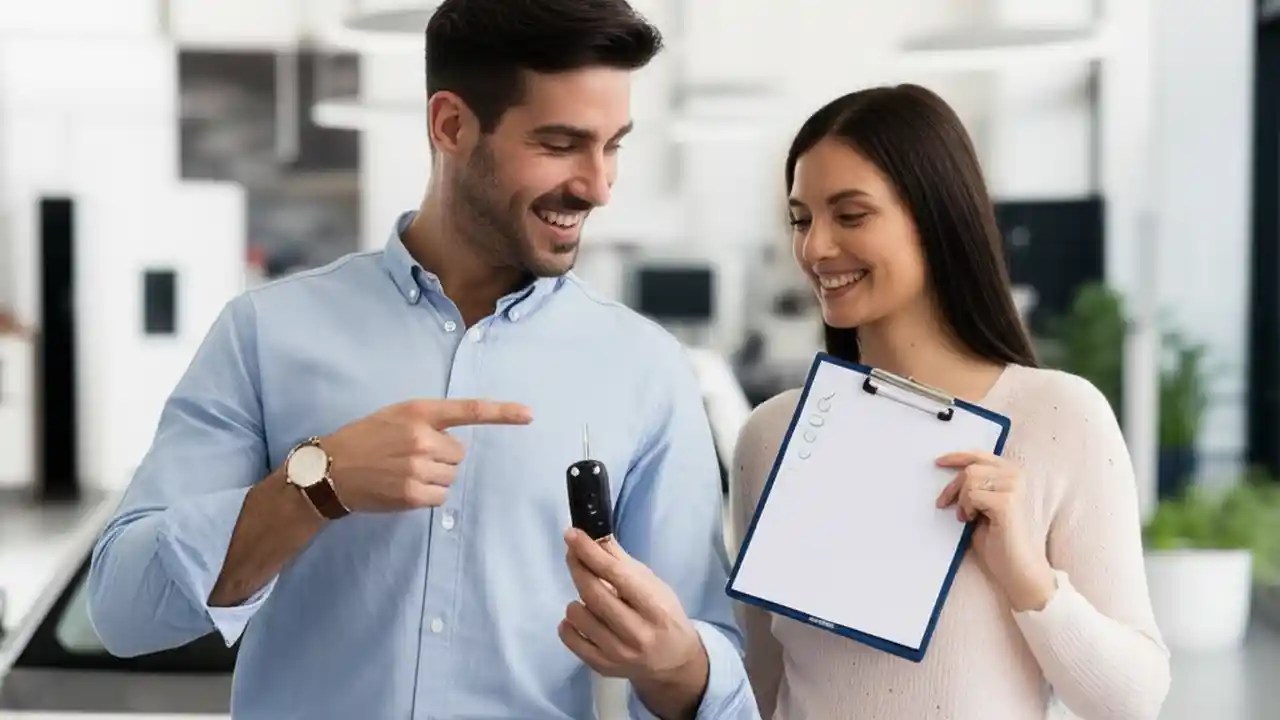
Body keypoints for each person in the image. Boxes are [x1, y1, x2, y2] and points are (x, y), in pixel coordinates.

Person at [85, 2, 759, 718]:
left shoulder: (645, 369)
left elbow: (708, 663)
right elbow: (126, 611)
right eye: (561, 144)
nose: (597, 185)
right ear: (451, 125)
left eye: (613, 145)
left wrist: (675, 659)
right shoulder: (265, 334)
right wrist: (318, 483)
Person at [729, 84, 1172, 719]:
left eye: (850, 216)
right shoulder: (771, 435)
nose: (814, 248)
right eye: (802, 219)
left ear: (935, 220)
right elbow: (760, 687)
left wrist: (1028, 578)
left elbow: (1131, 701)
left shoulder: (1060, 418)